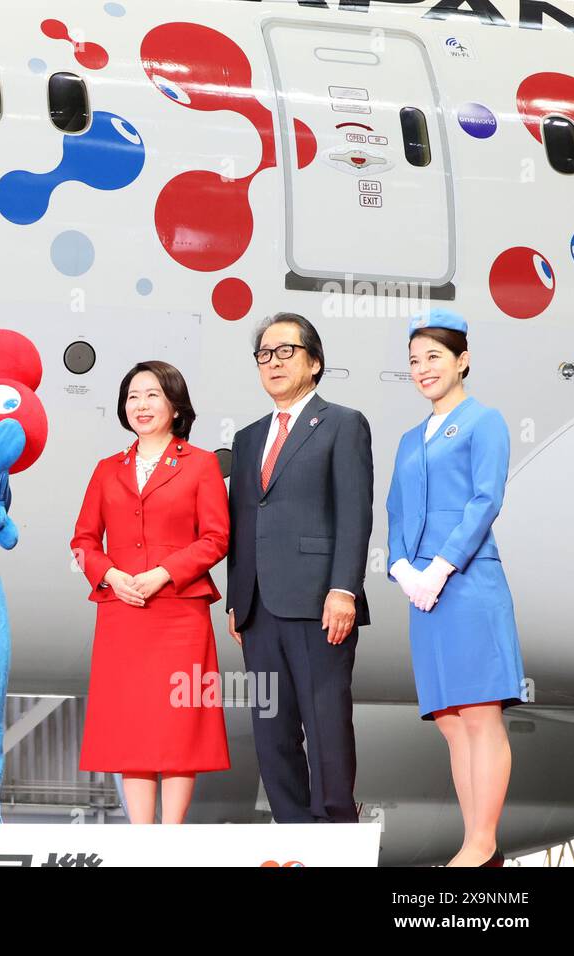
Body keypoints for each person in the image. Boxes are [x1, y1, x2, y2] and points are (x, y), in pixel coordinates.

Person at [386, 309, 525, 867]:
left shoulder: (482, 421)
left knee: (479, 712)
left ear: (462, 359)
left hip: (466, 583)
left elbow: (485, 499)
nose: (422, 369)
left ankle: (481, 840)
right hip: (423, 592)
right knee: (449, 718)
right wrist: (402, 570)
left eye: (434, 358)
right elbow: (395, 510)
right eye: (415, 361)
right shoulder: (407, 438)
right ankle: (476, 841)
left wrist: (440, 567)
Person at [226, 312, 373, 824]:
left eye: (286, 351)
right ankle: (292, 831)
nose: (273, 362)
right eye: (264, 354)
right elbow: (243, 521)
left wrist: (344, 590)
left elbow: (355, 513)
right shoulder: (248, 438)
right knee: (271, 727)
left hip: (319, 602)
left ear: (314, 363)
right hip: (258, 607)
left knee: (326, 721)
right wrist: (235, 600)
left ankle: (335, 829)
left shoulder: (341, 422)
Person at [71, 361, 230, 823]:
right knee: (131, 729)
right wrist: (110, 576)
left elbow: (216, 538)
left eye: (152, 395)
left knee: (179, 728)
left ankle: (170, 839)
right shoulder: (106, 469)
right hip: (122, 612)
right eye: (133, 396)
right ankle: (143, 842)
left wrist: (164, 572)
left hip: (179, 612)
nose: (140, 405)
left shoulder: (200, 464)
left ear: (175, 405)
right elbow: (82, 542)